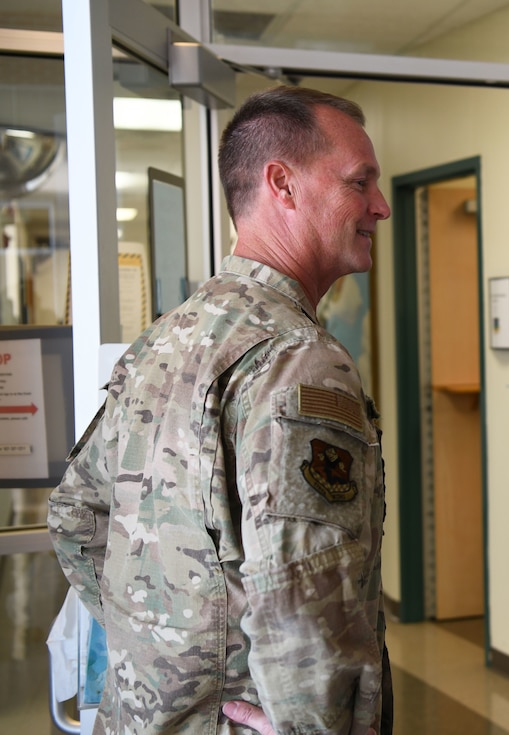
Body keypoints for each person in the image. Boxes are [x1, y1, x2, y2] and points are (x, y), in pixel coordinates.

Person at [47, 85, 392, 734]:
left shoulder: (165, 338)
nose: (381, 206)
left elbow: (75, 516)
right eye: (359, 182)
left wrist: (162, 652)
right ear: (282, 185)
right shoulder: (299, 360)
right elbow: (302, 594)